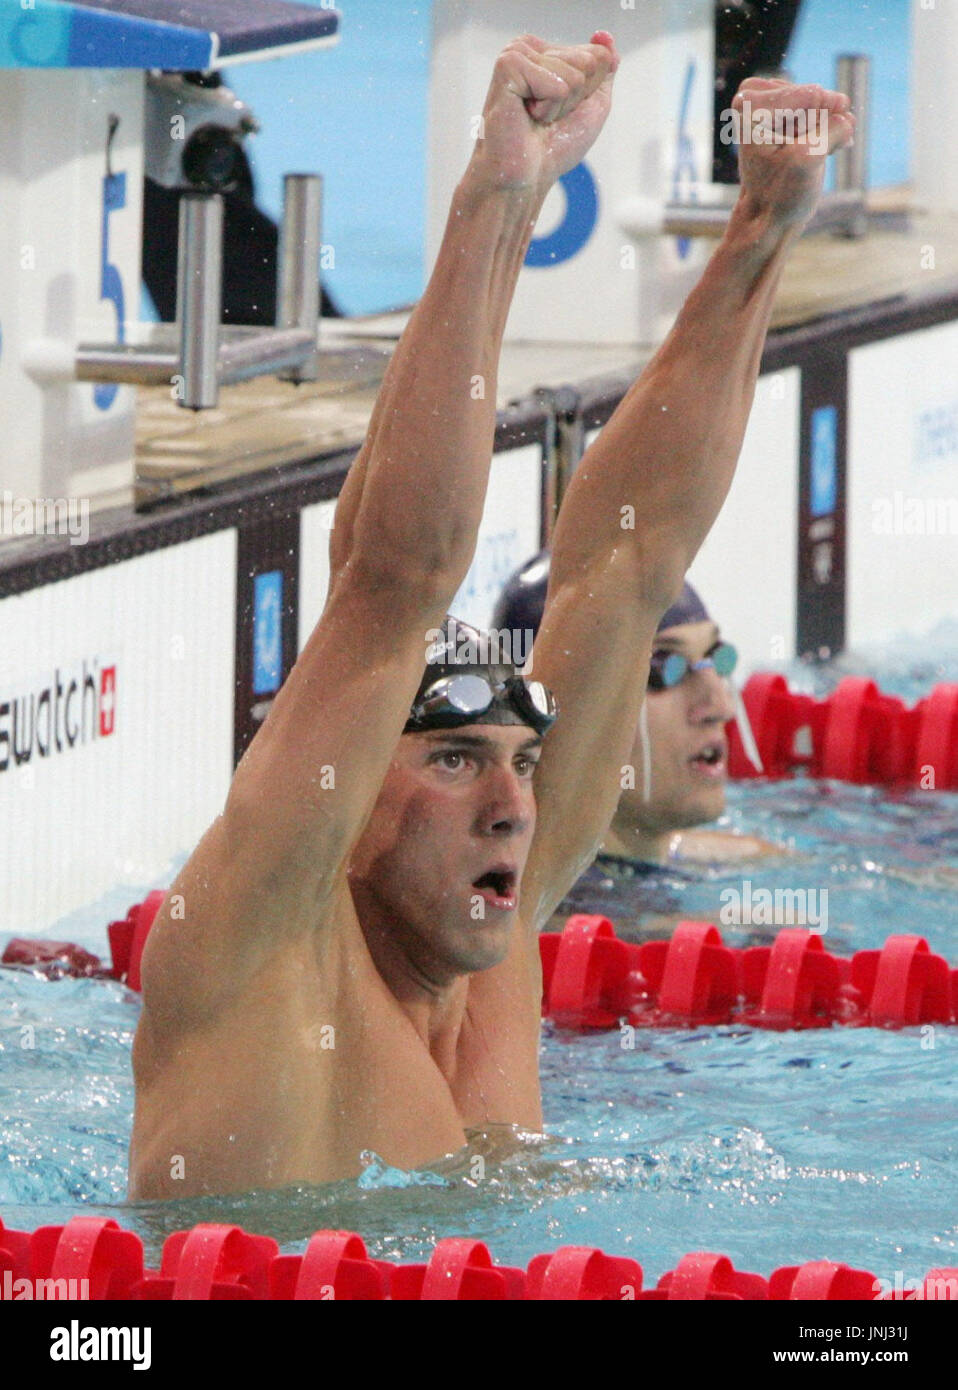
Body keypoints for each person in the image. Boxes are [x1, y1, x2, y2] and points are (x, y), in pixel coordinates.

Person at [130, 32, 853, 1197]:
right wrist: (497, 198)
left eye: (516, 761)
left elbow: (629, 559)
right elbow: (388, 581)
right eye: (458, 759)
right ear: (349, 801)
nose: (516, 805)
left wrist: (763, 228)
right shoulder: (264, 947)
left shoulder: (491, 939)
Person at [493, 553, 777, 870]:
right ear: (562, 712)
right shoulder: (565, 913)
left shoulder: (715, 858)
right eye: (665, 668)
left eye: (714, 655)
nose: (720, 708)